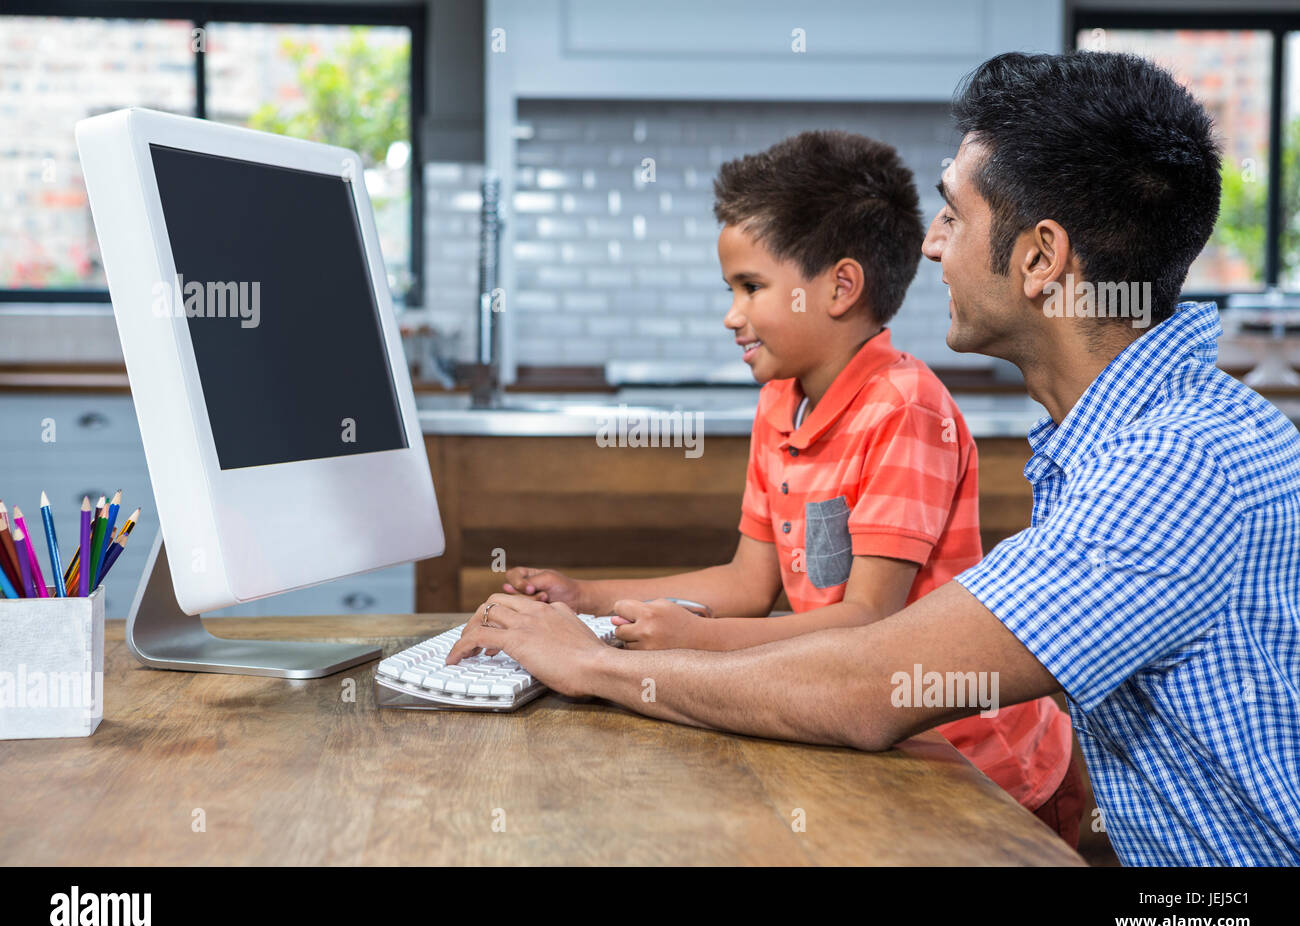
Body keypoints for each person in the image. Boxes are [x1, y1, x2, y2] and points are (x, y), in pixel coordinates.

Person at [452, 52, 1300, 866]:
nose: (932, 247)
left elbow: (874, 686)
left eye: (954, 215)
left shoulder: (1173, 467)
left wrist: (593, 662)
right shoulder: (1146, 433)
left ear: (1041, 259)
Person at [497, 130, 1079, 843]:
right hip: (861, 731)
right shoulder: (782, 399)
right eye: (730, 289)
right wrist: (586, 597)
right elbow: (749, 582)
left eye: (751, 288)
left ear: (839, 287)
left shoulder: (904, 409)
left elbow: (870, 622)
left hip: (980, 767)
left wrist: (694, 643)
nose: (731, 314)